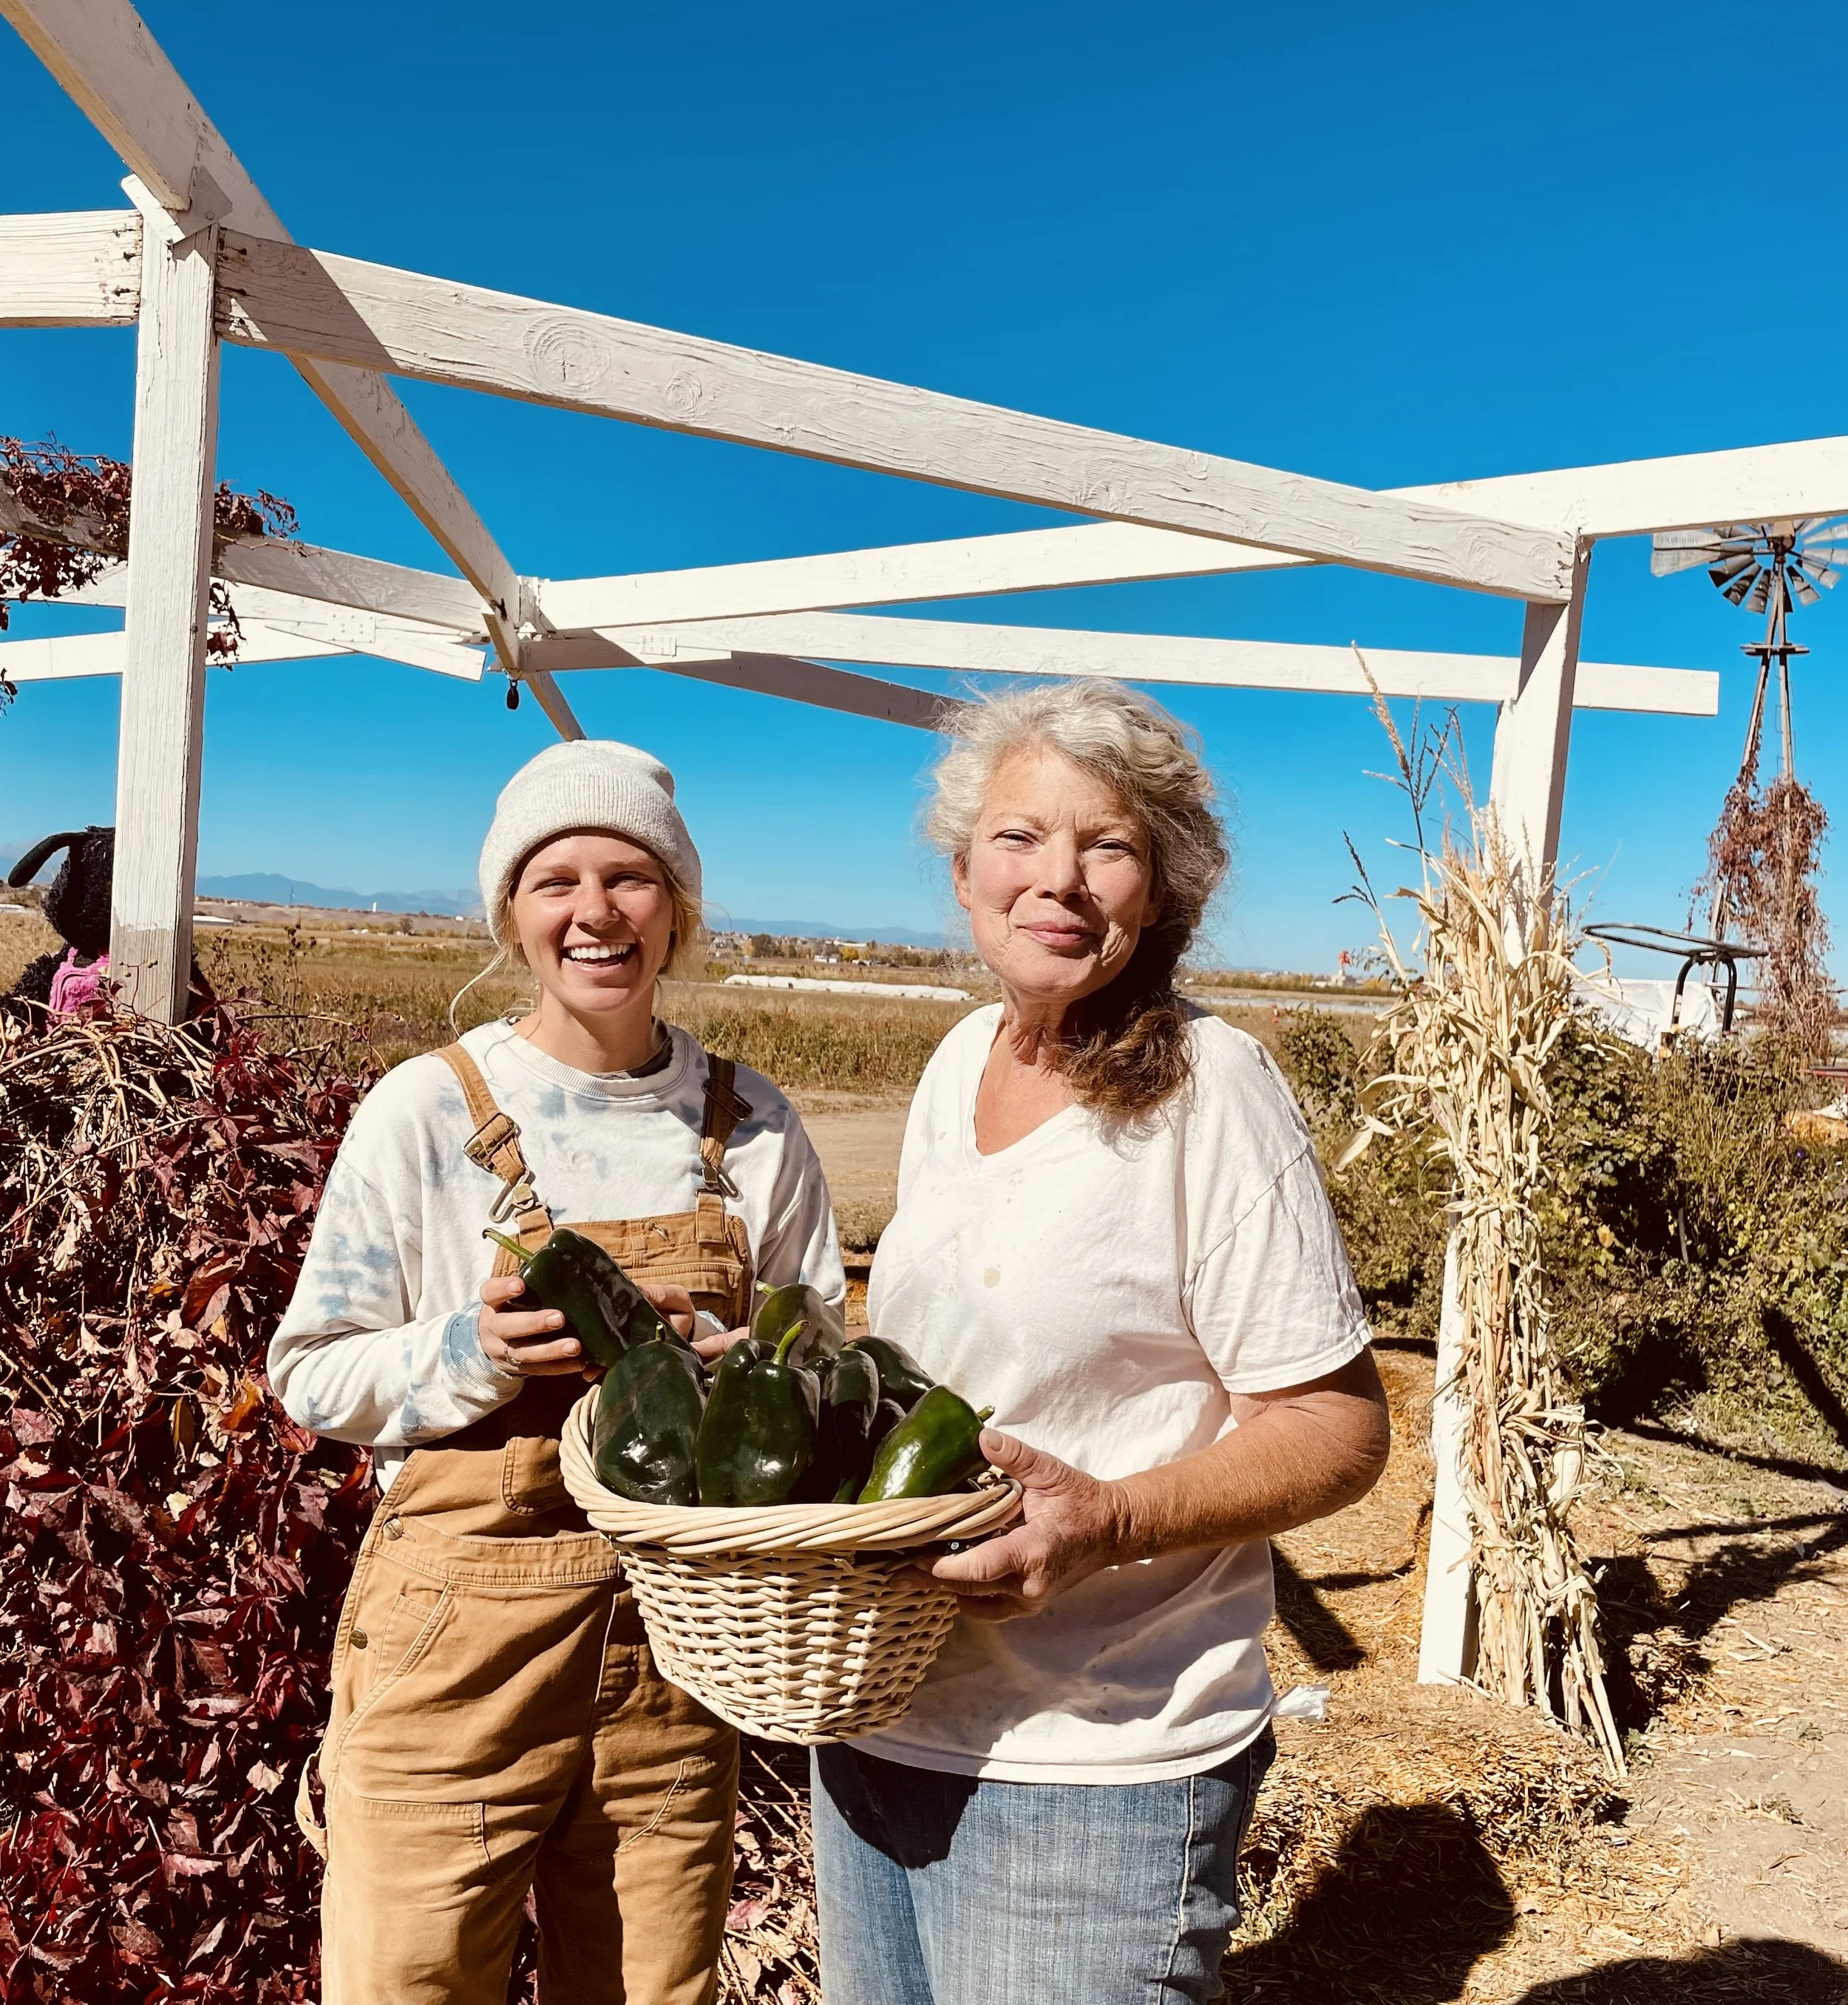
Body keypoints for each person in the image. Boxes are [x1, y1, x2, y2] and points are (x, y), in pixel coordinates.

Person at [812, 682, 1391, 2005]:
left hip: (1096, 1762)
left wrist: (1108, 1522)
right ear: (963, 874)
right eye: (1018, 837)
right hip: (884, 1719)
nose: (1057, 880)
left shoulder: (1212, 1091)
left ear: (1164, 888)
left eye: (1108, 844)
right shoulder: (957, 1063)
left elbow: (1339, 1427)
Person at [271, 739, 844, 2005]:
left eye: (630, 878)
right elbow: (308, 1373)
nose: (597, 913)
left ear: (676, 908)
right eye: (557, 882)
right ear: (511, 915)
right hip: (455, 1647)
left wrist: (739, 1367)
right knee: (409, 1984)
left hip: (676, 1648)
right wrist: (469, 1351)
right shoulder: (429, 1110)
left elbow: (829, 1364)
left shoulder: (754, 1125)